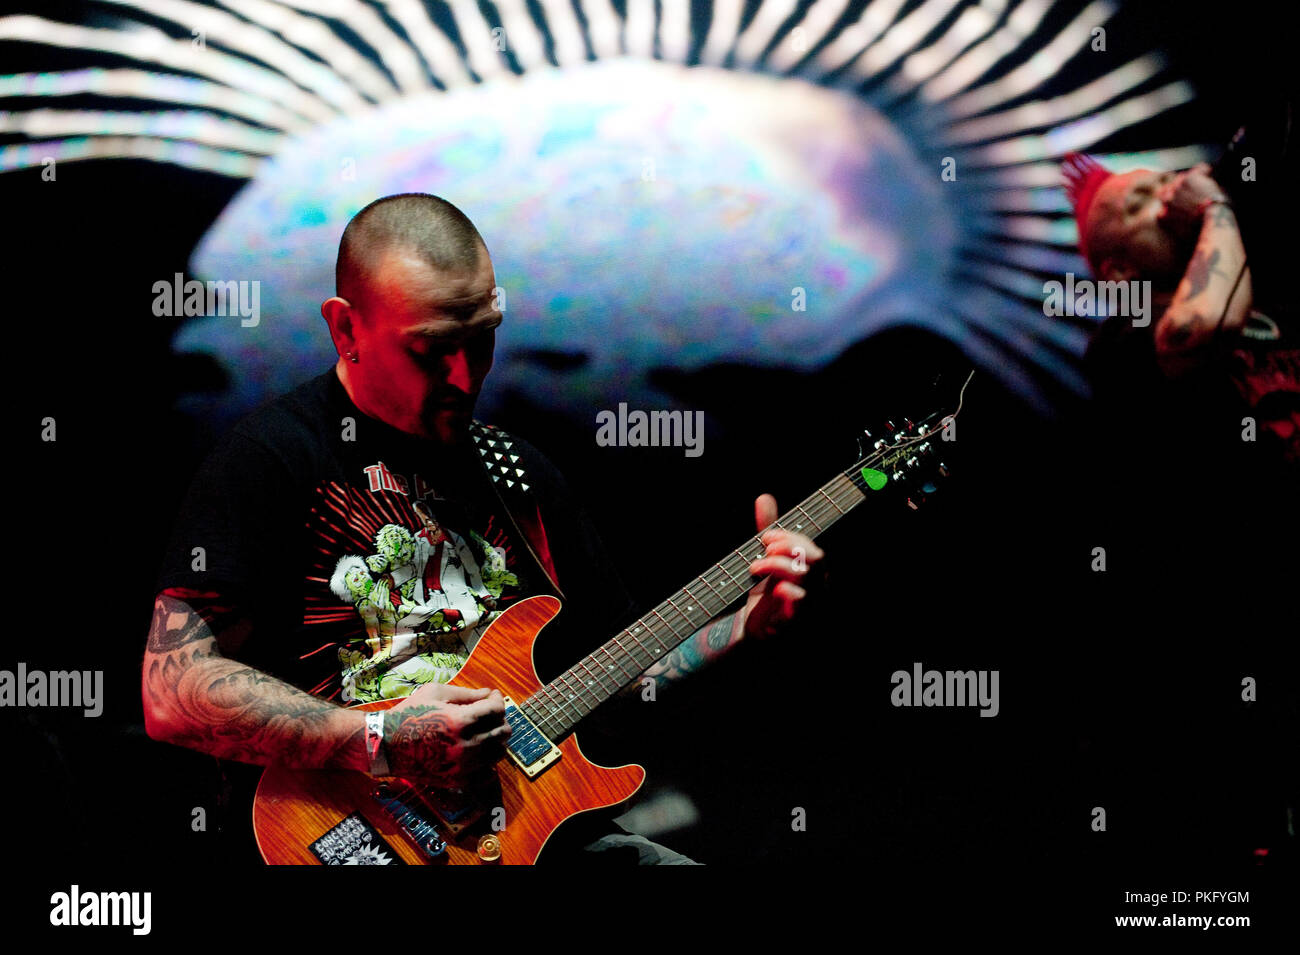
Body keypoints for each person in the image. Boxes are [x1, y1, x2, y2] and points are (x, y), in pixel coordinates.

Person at [142, 193, 825, 865]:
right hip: (349, 838)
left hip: (526, 833)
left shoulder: (519, 475)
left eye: (483, 338)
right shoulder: (271, 460)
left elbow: (619, 669)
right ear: (346, 329)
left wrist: (739, 628)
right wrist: (381, 737)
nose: (466, 376)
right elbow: (170, 693)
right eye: (433, 349)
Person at [1065, 148, 1300, 475]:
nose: (1169, 194)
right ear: (1120, 271)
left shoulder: (1271, 298)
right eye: (1140, 202)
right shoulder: (1120, 344)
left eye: (1167, 180)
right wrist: (1214, 207)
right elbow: (1207, 323)